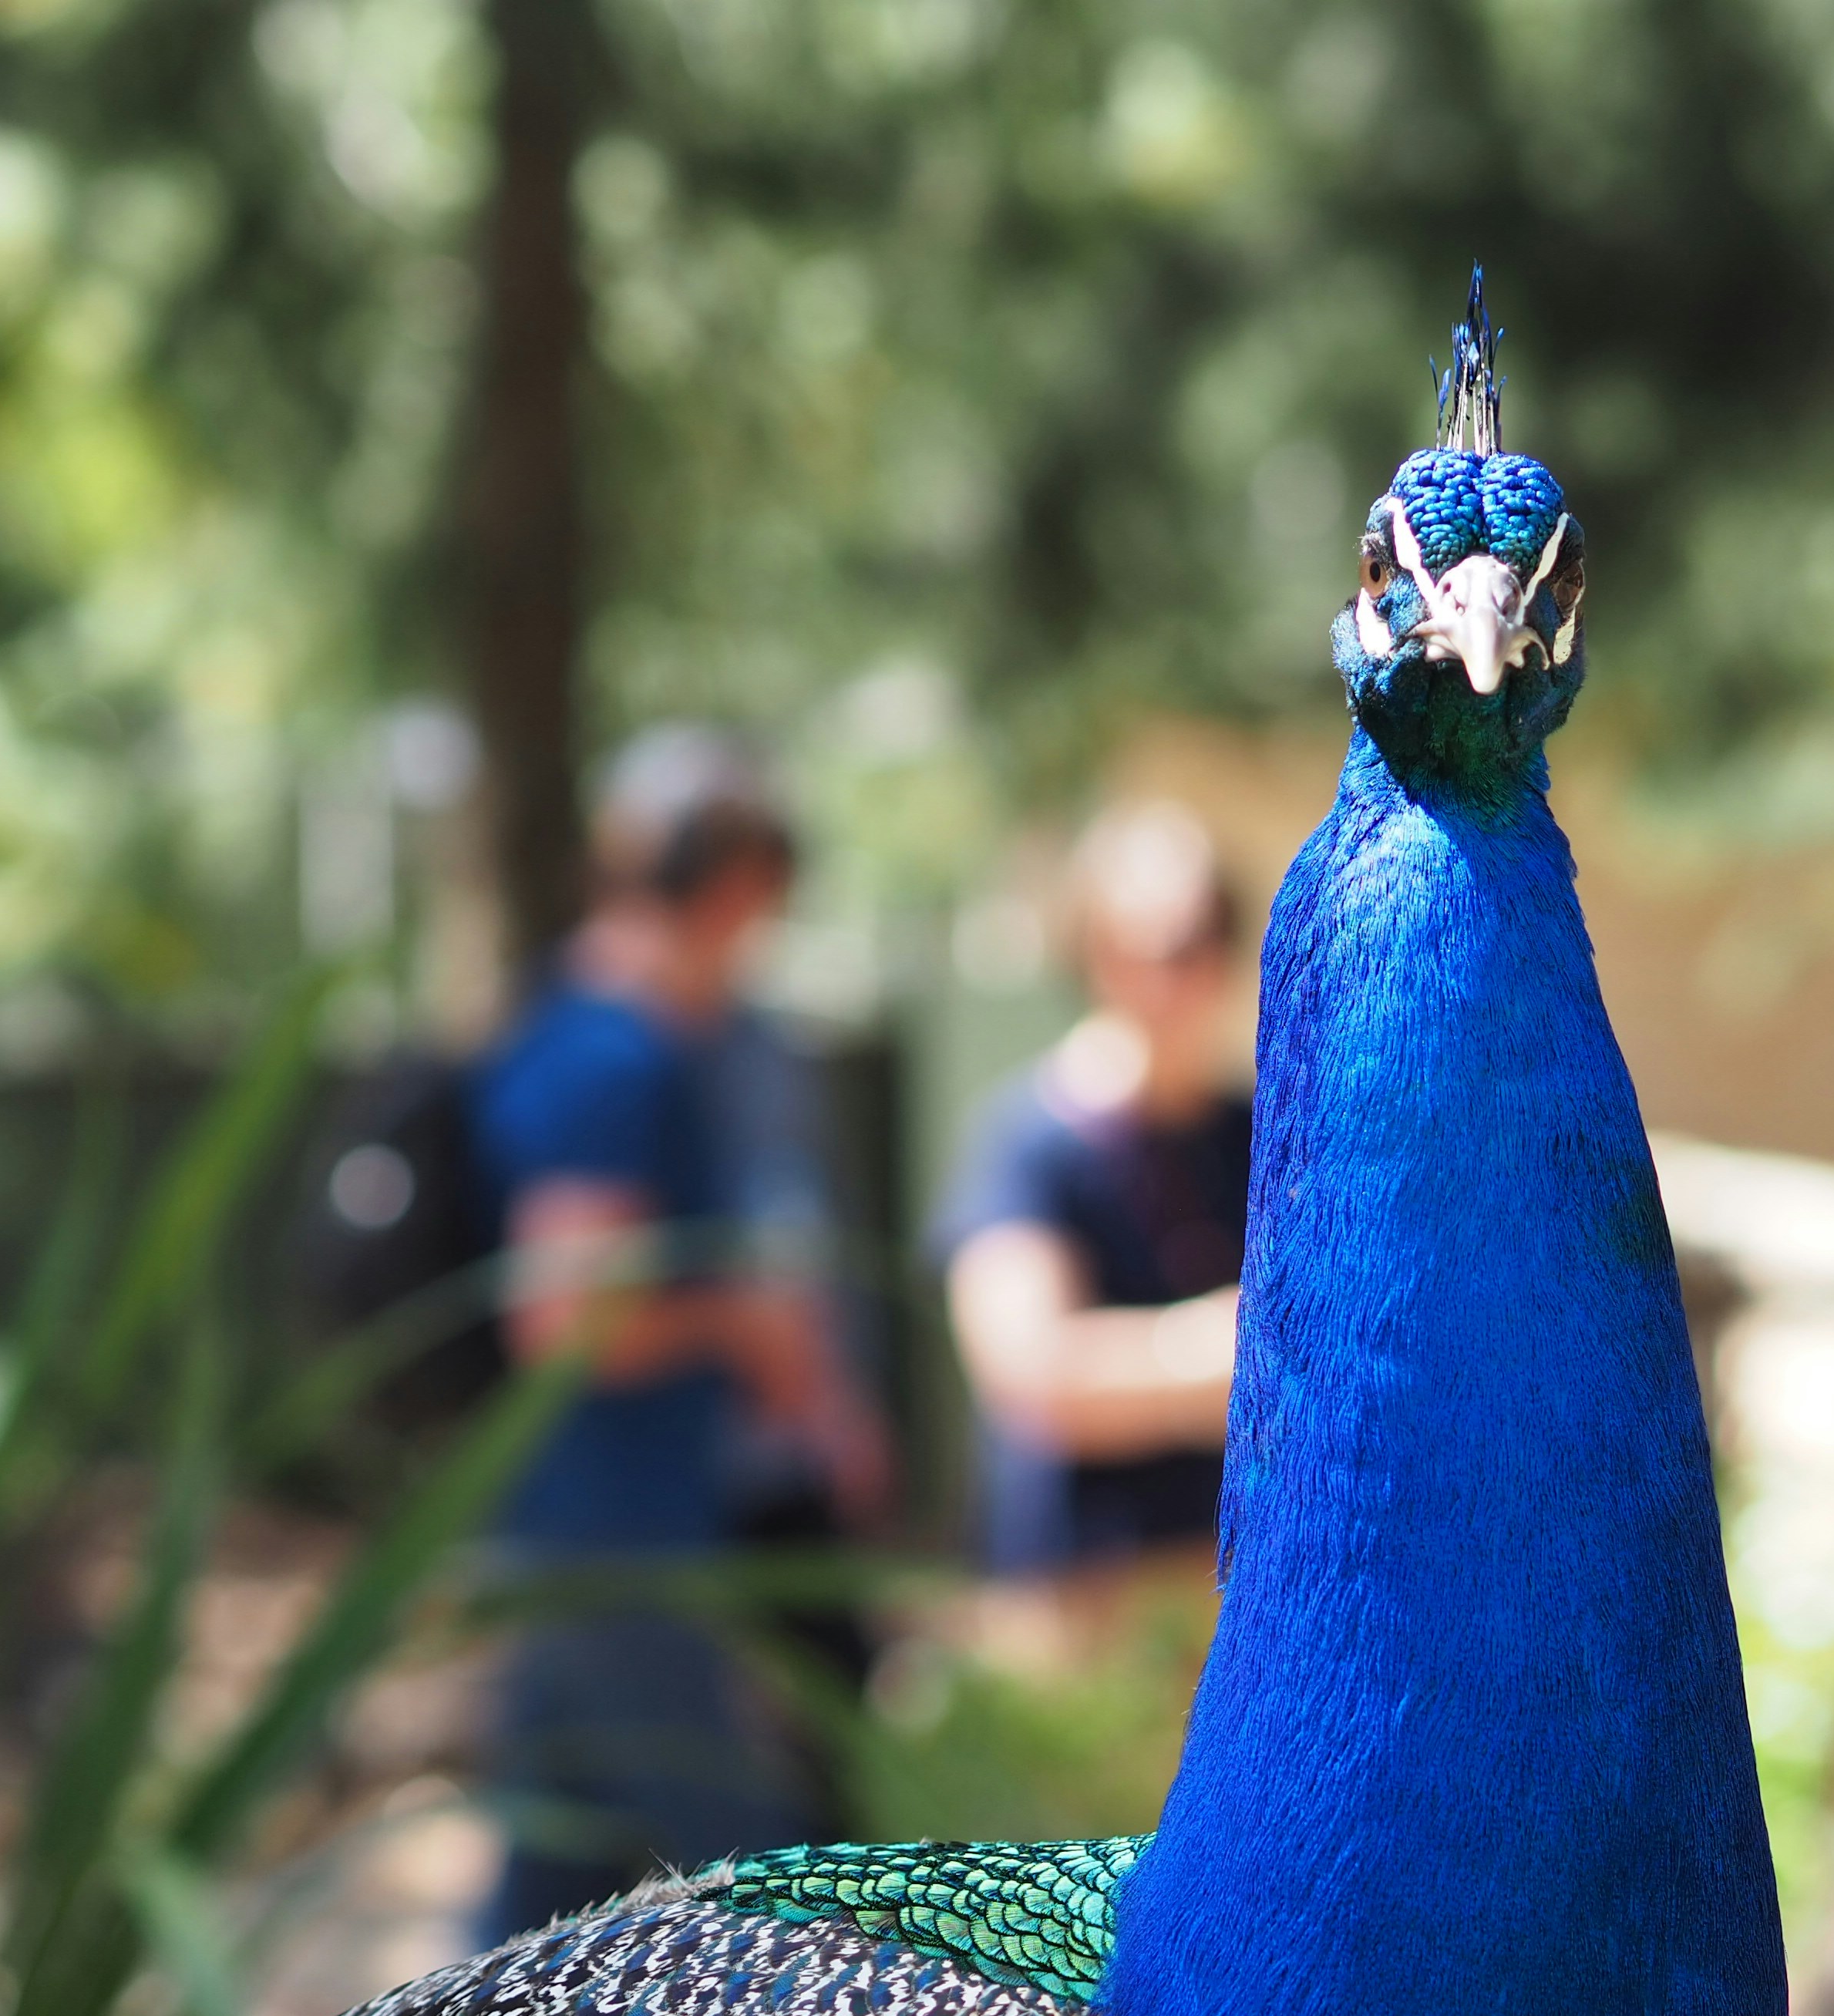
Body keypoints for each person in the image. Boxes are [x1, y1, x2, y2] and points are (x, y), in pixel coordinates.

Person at [466, 729, 887, 1940]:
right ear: (735, 887)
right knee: (763, 1897)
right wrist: (744, 1322)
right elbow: (562, 1316)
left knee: (535, 1914)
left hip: (591, 1539)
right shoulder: (616, 1056)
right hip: (619, 1550)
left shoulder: (605, 1039)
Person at [931, 799, 1251, 1579]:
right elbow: (1031, 1375)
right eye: (1142, 948)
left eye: (1194, 942)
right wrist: (1208, 1357)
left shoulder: (1263, 1135)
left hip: (1245, 1589)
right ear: (1091, 954)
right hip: (1077, 1590)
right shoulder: (1023, 1144)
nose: (1170, 976)